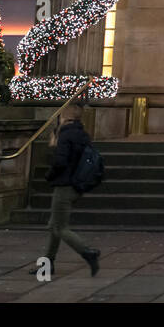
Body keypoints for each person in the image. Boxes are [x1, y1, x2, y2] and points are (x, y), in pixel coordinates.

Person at [44, 103, 101, 275]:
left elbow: (61, 161)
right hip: (76, 184)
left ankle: (87, 252)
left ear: (65, 117)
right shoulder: (82, 134)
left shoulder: (66, 135)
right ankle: (48, 263)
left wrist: (50, 174)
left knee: (60, 228)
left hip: (64, 185)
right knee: (54, 225)